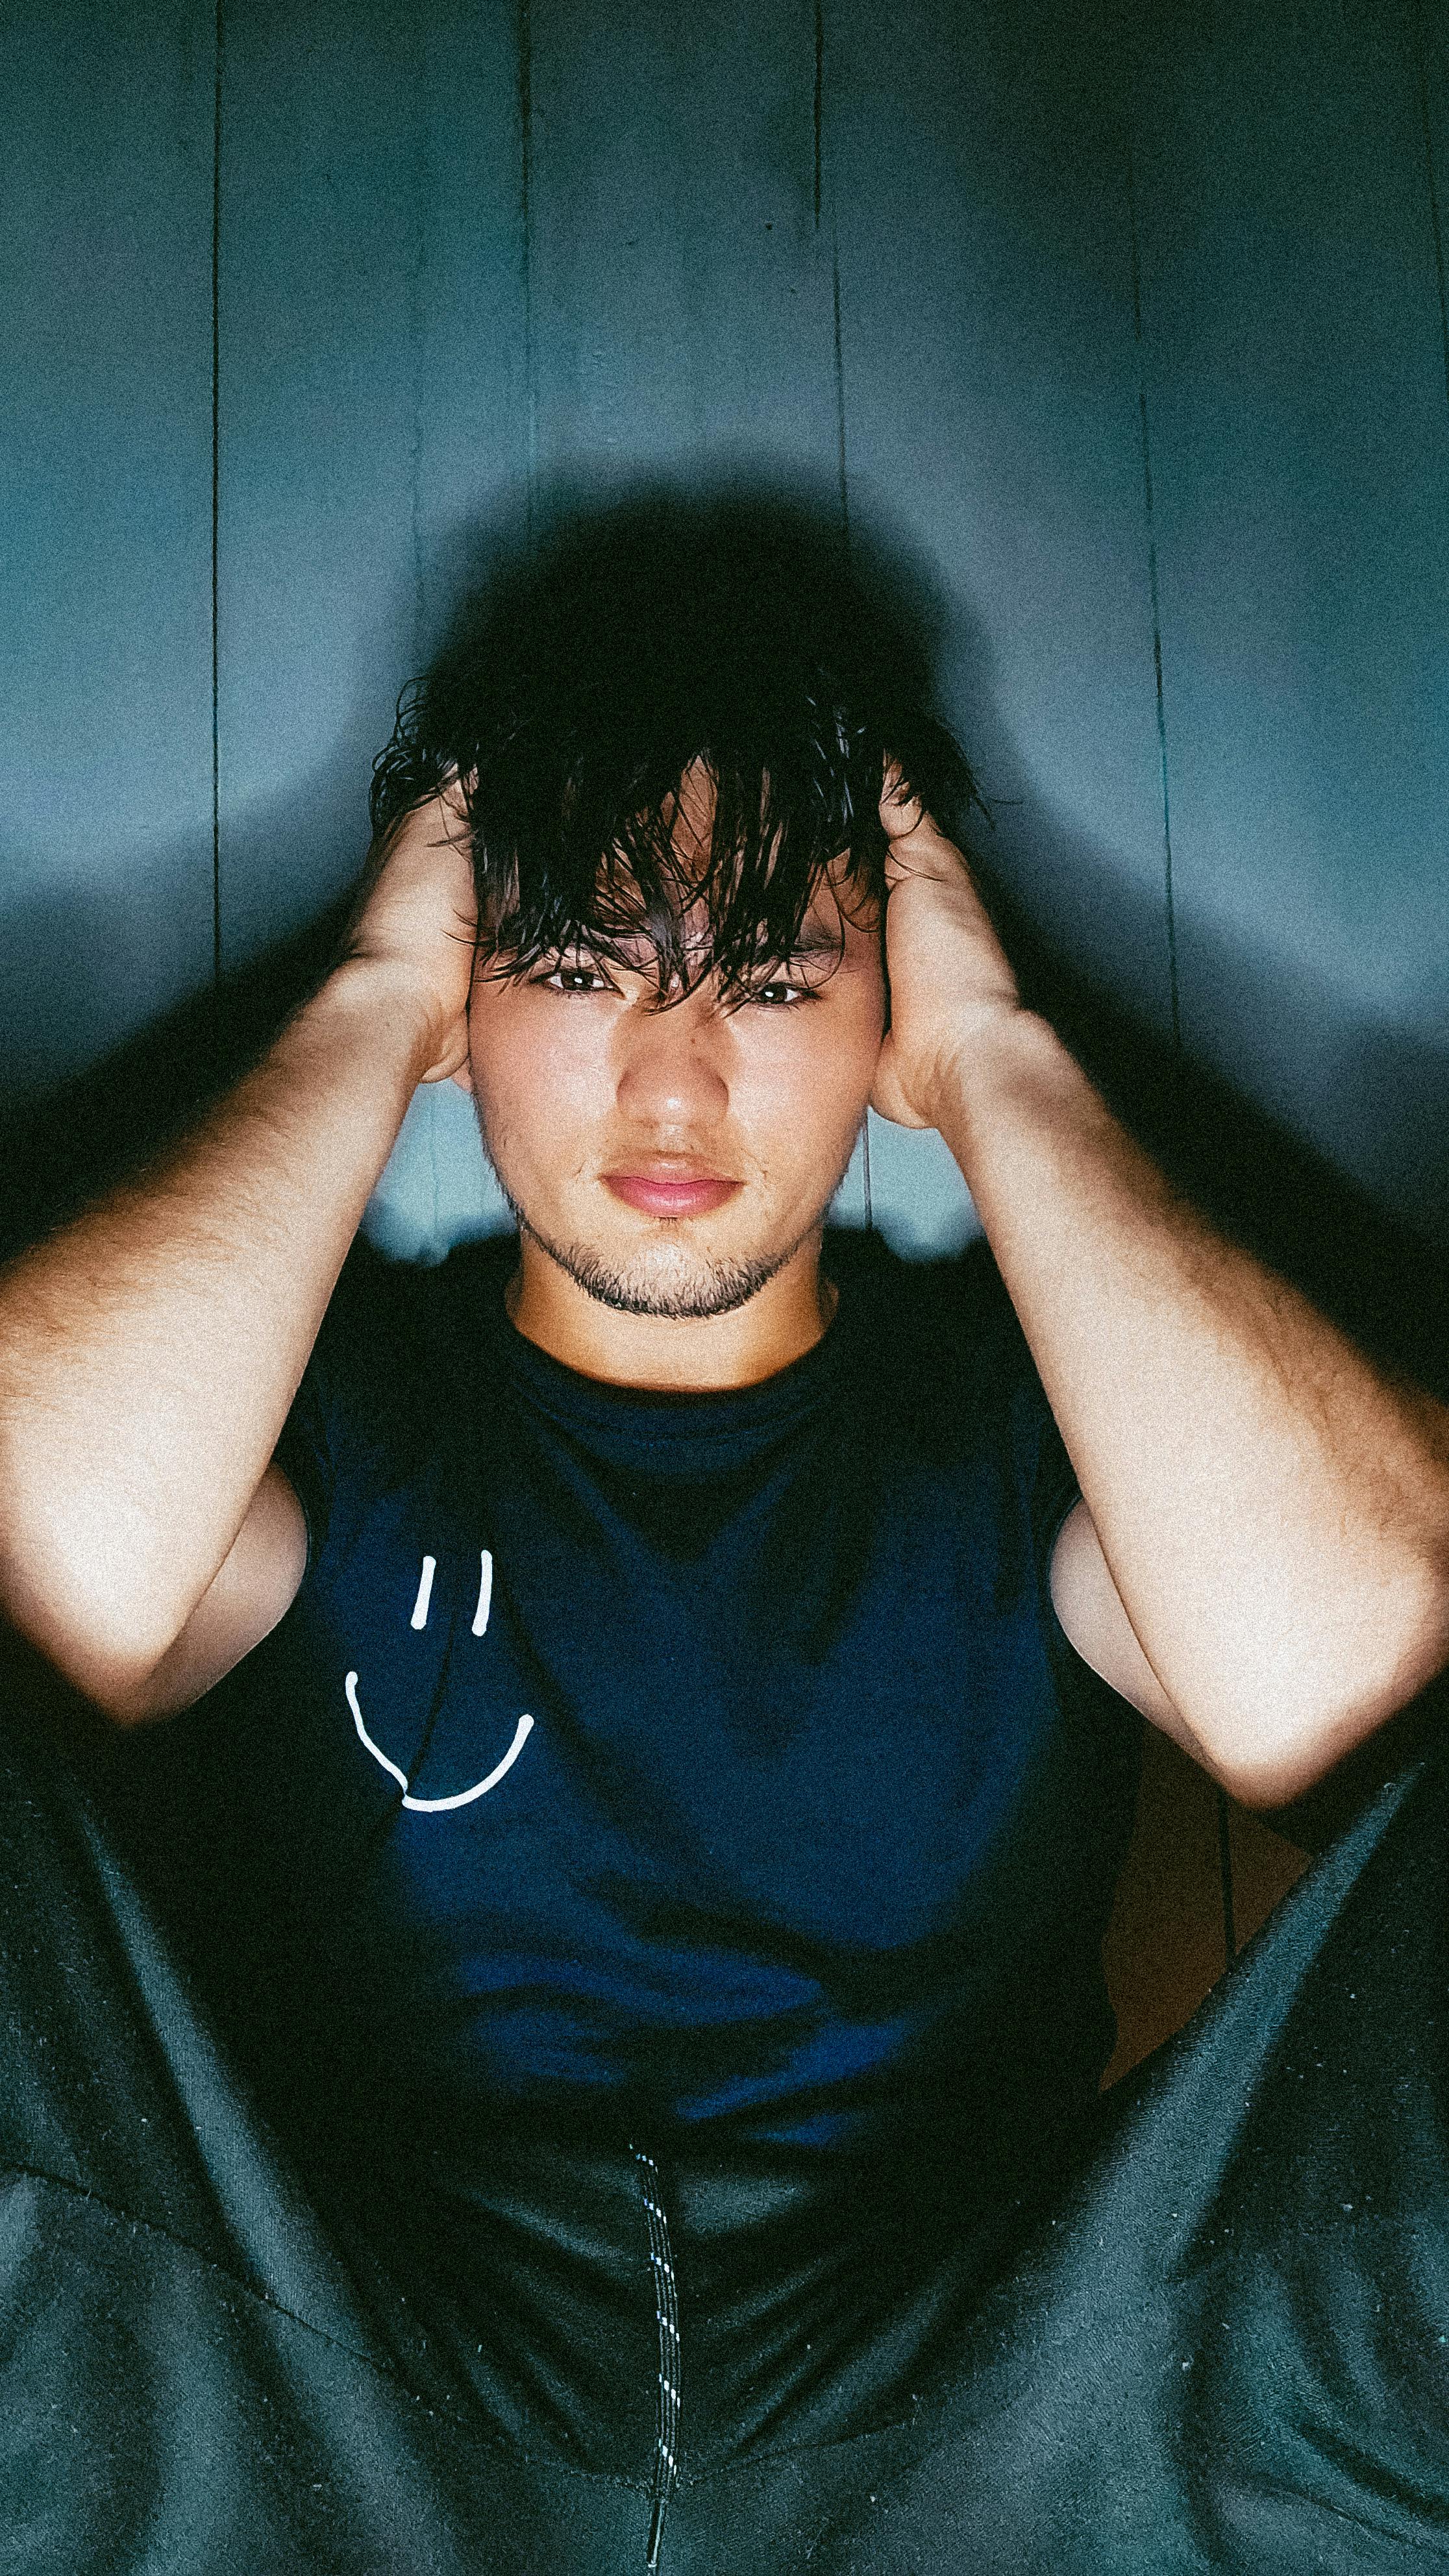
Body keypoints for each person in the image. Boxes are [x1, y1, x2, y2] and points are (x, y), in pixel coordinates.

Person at [1, 501, 1448, 2573]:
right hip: (322, 2395)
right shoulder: (299, 1402)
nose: (671, 1078)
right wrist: (372, 996)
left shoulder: (1046, 1413)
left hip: (992, 2429)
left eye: (771, 975)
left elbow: (1353, 1666)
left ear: (884, 1022)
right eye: (578, 965)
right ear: (468, 1001)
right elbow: (30, 1577)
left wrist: (996, 1055)